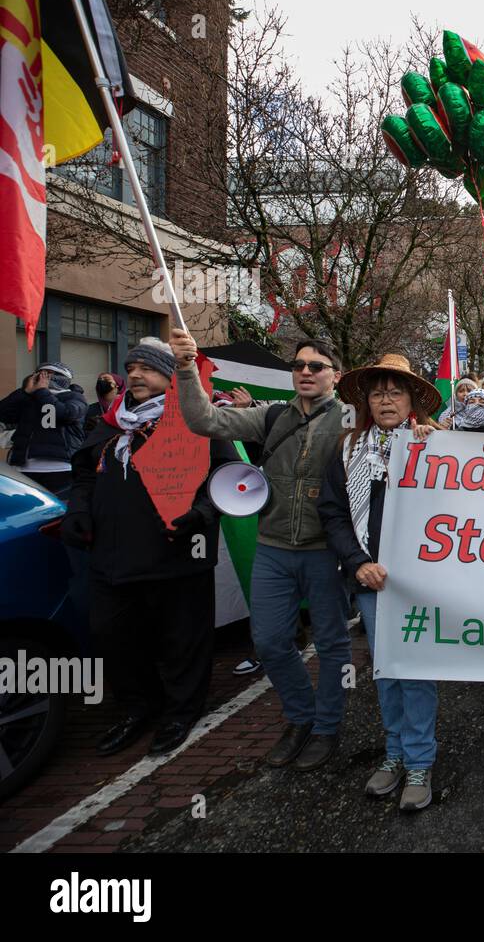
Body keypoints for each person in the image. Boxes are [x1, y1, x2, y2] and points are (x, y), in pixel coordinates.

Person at [170, 327, 352, 770]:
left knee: (332, 645)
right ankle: (300, 717)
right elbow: (203, 422)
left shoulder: (352, 418)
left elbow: (400, 437)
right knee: (270, 642)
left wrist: (423, 426)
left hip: (327, 552)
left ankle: (326, 727)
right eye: (298, 365)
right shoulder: (271, 416)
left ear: (336, 375)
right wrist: (185, 369)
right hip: (272, 547)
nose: (305, 372)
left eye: (316, 366)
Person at [63, 338, 238, 756]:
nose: (136, 375)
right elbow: (87, 475)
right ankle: (138, 707)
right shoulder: (110, 422)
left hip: (178, 554)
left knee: (181, 638)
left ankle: (181, 710)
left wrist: (201, 512)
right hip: (112, 558)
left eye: (147, 368)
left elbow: (232, 478)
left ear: (171, 374)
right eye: (131, 367)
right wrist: (79, 510)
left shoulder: (199, 420)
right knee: (114, 636)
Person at [319, 354, 440, 810]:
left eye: (395, 391)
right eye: (377, 392)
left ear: (411, 400)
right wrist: (356, 562)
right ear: (367, 401)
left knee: (416, 670)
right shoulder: (348, 449)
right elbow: (332, 512)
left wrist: (438, 447)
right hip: (371, 578)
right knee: (386, 668)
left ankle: (420, 762)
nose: (386, 399)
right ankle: (393, 754)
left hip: (421, 580)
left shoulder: (437, 445)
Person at [0, 361, 87, 496]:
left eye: (48, 374)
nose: (43, 378)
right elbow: (3, 414)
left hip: (60, 469)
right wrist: (24, 392)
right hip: (23, 468)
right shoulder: (28, 398)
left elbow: (63, 414)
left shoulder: (74, 397)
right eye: (40, 374)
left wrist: (42, 392)